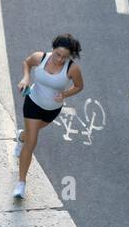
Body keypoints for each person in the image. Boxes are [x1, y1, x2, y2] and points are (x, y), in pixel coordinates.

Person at [13, 34, 83, 201]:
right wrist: (26, 77)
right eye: (58, 54)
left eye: (65, 57)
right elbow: (27, 63)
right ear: (53, 49)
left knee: (29, 135)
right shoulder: (40, 57)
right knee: (32, 142)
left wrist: (64, 94)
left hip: (51, 111)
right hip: (33, 104)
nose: (60, 59)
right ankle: (21, 184)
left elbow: (79, 86)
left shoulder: (72, 69)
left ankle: (21, 136)